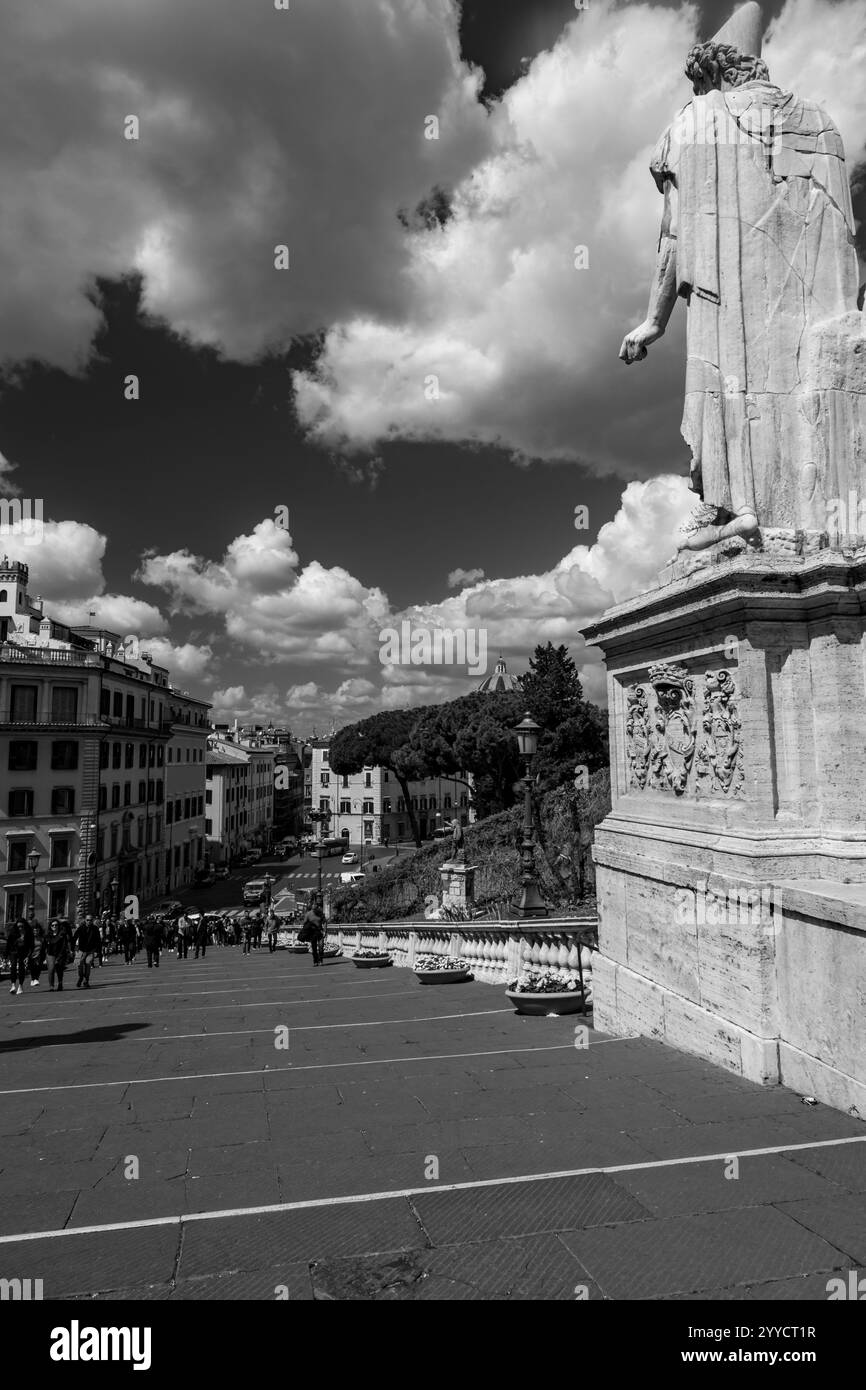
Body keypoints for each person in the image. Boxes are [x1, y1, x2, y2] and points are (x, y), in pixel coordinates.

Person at [5, 918, 34, 996]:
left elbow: (31, 946)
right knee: (13, 966)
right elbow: (8, 944)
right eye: (18, 927)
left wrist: (28, 956)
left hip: (23, 952)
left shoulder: (28, 933)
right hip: (13, 951)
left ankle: (20, 986)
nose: (20, 928)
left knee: (21, 968)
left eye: (21, 926)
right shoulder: (13, 933)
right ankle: (13, 985)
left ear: (24, 926)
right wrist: (6, 955)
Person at [75, 915, 102, 988]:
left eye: (90, 920)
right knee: (79, 965)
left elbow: (98, 940)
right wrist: (73, 948)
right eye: (87, 920)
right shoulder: (81, 928)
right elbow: (74, 938)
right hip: (81, 950)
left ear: (92, 920)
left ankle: (86, 980)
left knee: (88, 964)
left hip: (91, 950)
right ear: (85, 920)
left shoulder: (95, 929)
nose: (89, 921)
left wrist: (97, 951)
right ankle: (81, 977)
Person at [45, 919, 73, 991]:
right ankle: (51, 986)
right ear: (50, 926)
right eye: (53, 925)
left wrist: (61, 955)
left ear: (58, 926)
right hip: (50, 954)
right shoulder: (48, 935)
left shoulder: (62, 934)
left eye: (56, 925)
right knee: (51, 969)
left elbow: (64, 945)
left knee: (59, 969)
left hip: (60, 953)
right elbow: (49, 943)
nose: (54, 926)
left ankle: (60, 983)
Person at [299, 897, 325, 967]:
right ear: (311, 906)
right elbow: (304, 923)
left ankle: (321, 960)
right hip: (312, 933)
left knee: (321, 946)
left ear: (317, 906)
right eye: (313, 905)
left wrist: (325, 931)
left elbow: (324, 922)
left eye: (315, 905)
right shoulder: (308, 914)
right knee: (314, 948)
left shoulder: (320, 913)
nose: (314, 906)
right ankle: (315, 961)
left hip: (320, 932)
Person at [28, 921, 46, 987]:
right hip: (31, 955)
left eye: (37, 930)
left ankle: (36, 979)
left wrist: (44, 955)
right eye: (34, 930)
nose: (36, 932)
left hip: (39, 956)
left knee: (38, 968)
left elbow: (44, 947)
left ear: (39, 931)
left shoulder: (42, 939)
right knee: (32, 968)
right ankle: (33, 979)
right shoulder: (30, 939)